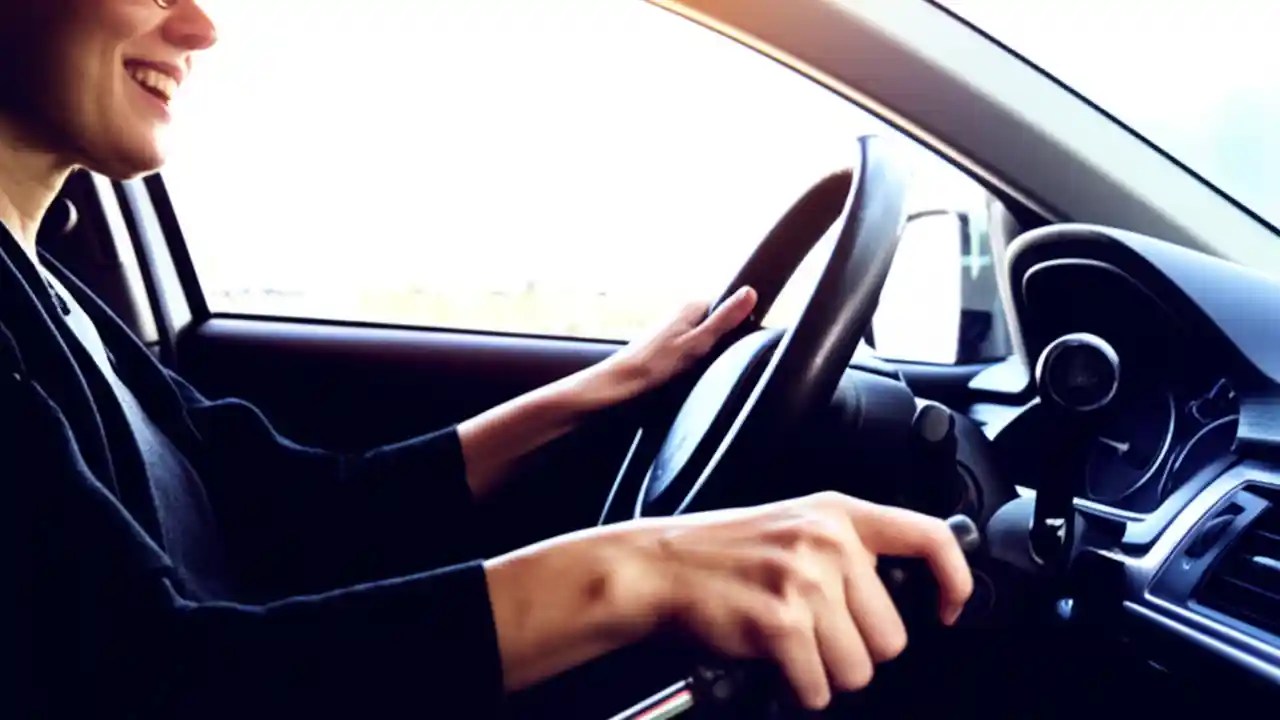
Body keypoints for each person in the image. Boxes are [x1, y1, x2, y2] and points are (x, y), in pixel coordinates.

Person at [0, 1, 973, 717]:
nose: (201, 25)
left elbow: (296, 509)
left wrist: (605, 390)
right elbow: (145, 684)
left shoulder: (46, 291)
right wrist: (639, 573)